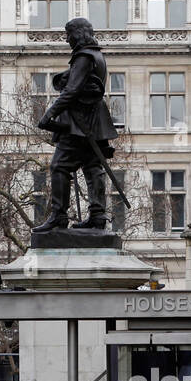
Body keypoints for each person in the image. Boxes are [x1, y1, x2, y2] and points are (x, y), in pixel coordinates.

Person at [34, 18, 120, 232]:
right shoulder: (96, 56)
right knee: (92, 167)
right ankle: (98, 215)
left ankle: (58, 216)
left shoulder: (83, 57)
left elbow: (71, 92)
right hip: (94, 122)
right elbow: (81, 84)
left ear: (79, 34)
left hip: (80, 124)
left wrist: (49, 115)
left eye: (69, 34)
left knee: (59, 166)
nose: (67, 39)